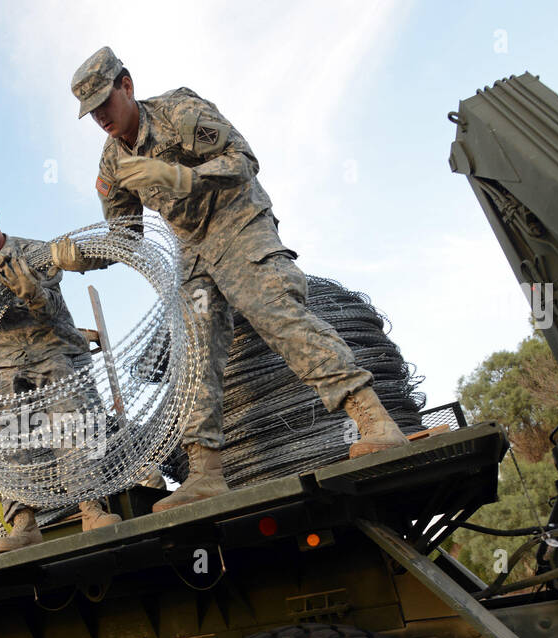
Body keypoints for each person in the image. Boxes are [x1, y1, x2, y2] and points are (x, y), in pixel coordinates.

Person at [54, 47, 410, 512]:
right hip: (194, 252)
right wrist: (83, 255)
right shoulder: (111, 166)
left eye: (106, 101)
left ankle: (375, 422)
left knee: (278, 313)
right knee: (195, 358)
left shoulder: (179, 111)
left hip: (237, 222)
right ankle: (205, 474)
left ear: (127, 85)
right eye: (92, 111)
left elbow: (243, 160)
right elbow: (128, 236)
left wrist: (180, 176)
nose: (101, 115)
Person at [0, 194, 123, 551]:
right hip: (8, 356)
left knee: (73, 419)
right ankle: (23, 524)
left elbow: (52, 308)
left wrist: (31, 292)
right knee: (5, 431)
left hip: (52, 344)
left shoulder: (36, 252)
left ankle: (91, 508)